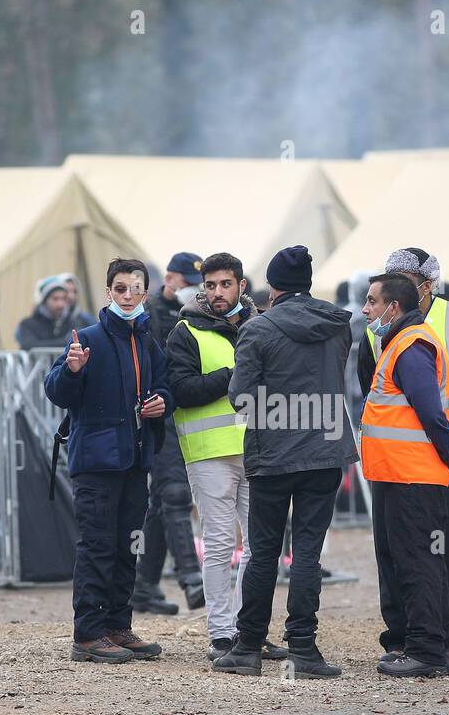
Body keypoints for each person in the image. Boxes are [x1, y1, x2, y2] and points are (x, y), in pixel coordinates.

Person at [212, 245, 357, 679]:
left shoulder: (259, 330)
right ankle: (305, 650)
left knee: (263, 553)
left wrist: (275, 408)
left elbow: (240, 397)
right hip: (326, 448)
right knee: (308, 554)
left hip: (273, 454)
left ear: (272, 287)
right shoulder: (337, 325)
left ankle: (248, 646)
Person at [357, 247, 449, 670]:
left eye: (374, 301)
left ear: (421, 288)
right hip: (407, 465)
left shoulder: (436, 330)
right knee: (402, 554)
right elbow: (376, 395)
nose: (365, 310)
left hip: (430, 464)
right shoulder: (384, 334)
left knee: (438, 553)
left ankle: (438, 644)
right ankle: (409, 638)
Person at [43, 259, 171, 664]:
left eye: (135, 289)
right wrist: (73, 370)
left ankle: (118, 625)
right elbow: (56, 390)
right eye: (120, 289)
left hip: (135, 460)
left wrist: (162, 403)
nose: (128, 296)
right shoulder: (88, 338)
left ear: (145, 293)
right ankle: (88, 634)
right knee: (98, 546)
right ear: (109, 292)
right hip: (97, 462)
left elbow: (165, 387)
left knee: (127, 546)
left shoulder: (149, 342)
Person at [168, 251, 289, 663]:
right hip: (210, 454)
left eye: (225, 284)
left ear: (241, 286)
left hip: (257, 449)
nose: (217, 292)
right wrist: (235, 374)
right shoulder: (185, 331)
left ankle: (248, 631)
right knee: (220, 545)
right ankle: (221, 633)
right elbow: (182, 390)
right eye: (211, 285)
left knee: (260, 545)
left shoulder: (263, 327)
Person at [133, 251, 206, 615]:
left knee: (163, 503)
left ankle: (143, 586)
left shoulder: (197, 315)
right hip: (157, 416)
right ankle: (191, 577)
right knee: (174, 494)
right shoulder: (148, 317)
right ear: (172, 280)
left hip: (186, 413)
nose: (193, 293)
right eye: (189, 285)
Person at [16, 275, 77, 351]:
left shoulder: (71, 321)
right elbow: (29, 346)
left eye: (63, 298)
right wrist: (65, 342)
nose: (60, 304)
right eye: (55, 299)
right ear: (44, 301)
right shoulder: (27, 324)